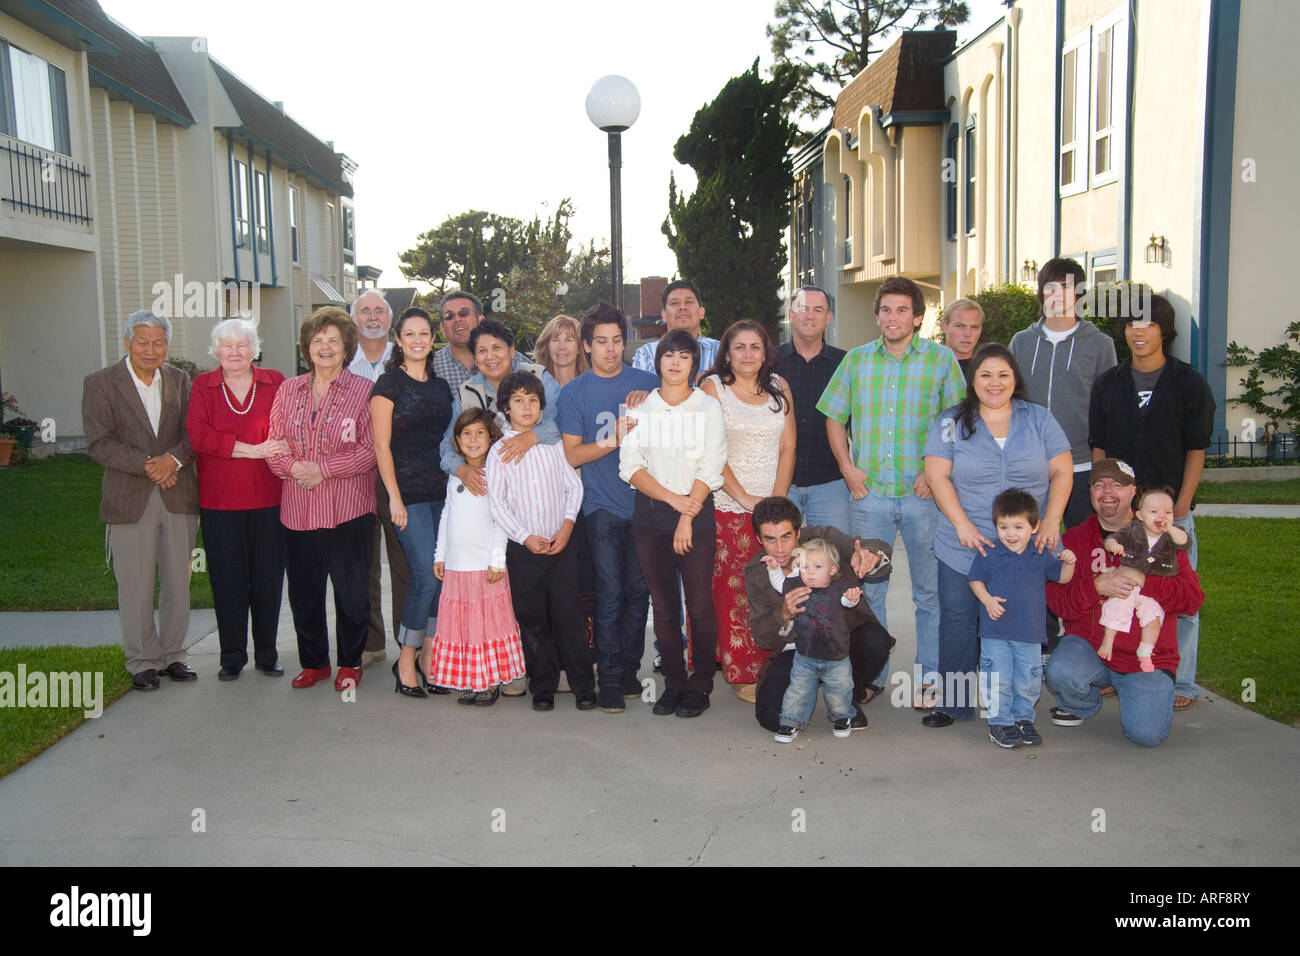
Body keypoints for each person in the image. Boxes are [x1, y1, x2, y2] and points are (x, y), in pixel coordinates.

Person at [817, 276, 966, 708]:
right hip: (872, 498)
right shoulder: (857, 361)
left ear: (918, 317)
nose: (893, 318)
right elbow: (832, 416)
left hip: (923, 496)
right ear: (877, 315)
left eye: (902, 310)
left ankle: (930, 680)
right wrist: (848, 469)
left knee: (928, 594)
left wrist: (933, 471)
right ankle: (873, 674)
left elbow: (956, 421)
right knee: (869, 591)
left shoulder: (941, 362)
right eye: (885, 310)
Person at [922, 343, 1073, 727]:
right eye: (985, 374)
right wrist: (961, 524)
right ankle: (954, 703)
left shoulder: (1038, 419)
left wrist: (1053, 519)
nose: (995, 383)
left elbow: (1062, 472)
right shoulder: (950, 421)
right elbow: (937, 475)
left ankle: (1016, 705)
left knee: (1021, 620)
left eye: (1003, 374)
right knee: (958, 620)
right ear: (972, 380)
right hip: (964, 542)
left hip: (1026, 546)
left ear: (1015, 379)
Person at [1088, 293, 1215, 710]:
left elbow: (1196, 449)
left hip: (1167, 516)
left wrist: (1181, 507)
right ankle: (1115, 669)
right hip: (1124, 517)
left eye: (1148, 324)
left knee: (1180, 599)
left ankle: (1181, 681)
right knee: (1119, 593)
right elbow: (1100, 448)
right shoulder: (1109, 384)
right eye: (1130, 325)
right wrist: (1106, 497)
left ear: (1165, 330)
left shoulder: (1189, 384)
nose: (1138, 332)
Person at [1044, 459, 1205, 746]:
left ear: (1134, 493)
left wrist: (1145, 580)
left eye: (1118, 484)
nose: (1107, 491)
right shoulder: (1076, 540)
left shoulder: (1164, 539)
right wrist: (1095, 587)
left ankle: (1139, 690)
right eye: (1099, 484)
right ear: (1090, 492)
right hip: (1093, 646)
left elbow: (1192, 600)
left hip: (1147, 655)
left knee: (1147, 735)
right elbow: (1056, 601)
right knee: (1059, 671)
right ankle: (1083, 704)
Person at [82, 310, 199, 691]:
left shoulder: (181, 381)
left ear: (167, 345)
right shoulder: (100, 383)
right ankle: (142, 660)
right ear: (128, 343)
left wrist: (175, 460)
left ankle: (173, 655)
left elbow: (192, 433)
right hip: (129, 496)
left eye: (158, 342)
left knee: (178, 582)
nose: (151, 350)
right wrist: (151, 465)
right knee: (135, 583)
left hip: (177, 494)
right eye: (143, 342)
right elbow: (100, 443)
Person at [267, 307, 377, 691]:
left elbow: (371, 449)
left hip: (349, 509)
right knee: (304, 593)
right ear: (307, 348)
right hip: (297, 510)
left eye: (333, 340)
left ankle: (350, 662)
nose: (325, 348)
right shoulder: (288, 390)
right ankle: (314, 663)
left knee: (351, 594)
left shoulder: (364, 391)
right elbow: (275, 442)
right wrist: (295, 468)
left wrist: (323, 470)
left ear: (347, 347)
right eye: (318, 341)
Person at [619, 329, 727, 719]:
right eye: (669, 355)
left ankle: (700, 686)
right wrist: (671, 501)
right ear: (658, 361)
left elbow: (712, 464)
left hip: (696, 513)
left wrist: (687, 512)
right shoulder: (640, 409)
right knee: (663, 608)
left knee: (698, 605)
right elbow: (629, 466)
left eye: (684, 356)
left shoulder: (706, 407)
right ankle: (674, 683)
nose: (676, 362)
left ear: (693, 363)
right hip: (650, 516)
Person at [557, 303, 659, 713]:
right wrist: (612, 439)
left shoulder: (649, 384)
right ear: (587, 345)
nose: (611, 349)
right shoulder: (573, 392)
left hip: (649, 506)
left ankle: (631, 671)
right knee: (610, 593)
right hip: (601, 507)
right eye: (601, 342)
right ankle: (611, 679)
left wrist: (650, 403)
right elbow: (571, 456)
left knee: (639, 592)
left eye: (617, 341)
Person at [185, 318, 288, 681]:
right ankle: (231, 656)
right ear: (216, 351)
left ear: (254, 349)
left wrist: (280, 448)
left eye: (241, 345)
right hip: (220, 502)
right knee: (227, 579)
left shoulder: (275, 381)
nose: (234, 352)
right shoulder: (203, 385)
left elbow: (290, 427)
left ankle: (267, 654)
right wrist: (255, 450)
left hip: (270, 498)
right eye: (227, 346)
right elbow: (199, 436)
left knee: (268, 579)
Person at [486, 371, 593, 712]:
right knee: (532, 619)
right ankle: (542, 685)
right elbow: (497, 503)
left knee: (569, 616)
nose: (527, 407)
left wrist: (567, 526)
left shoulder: (553, 445)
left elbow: (573, 487)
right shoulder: (499, 452)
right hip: (525, 551)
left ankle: (583, 685)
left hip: (561, 546)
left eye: (533, 400)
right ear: (505, 407)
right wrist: (524, 537)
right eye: (518, 400)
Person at [700, 320, 795, 701]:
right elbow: (709, 451)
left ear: (766, 352)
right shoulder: (713, 390)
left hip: (772, 510)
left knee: (774, 589)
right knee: (735, 590)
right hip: (729, 506)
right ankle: (742, 673)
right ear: (726, 352)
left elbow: (788, 448)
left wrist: (776, 503)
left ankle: (772, 664)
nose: (748, 354)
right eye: (739, 347)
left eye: (755, 346)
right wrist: (741, 497)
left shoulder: (780, 388)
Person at [744, 496, 895, 732]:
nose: (780, 549)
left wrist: (868, 555)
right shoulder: (757, 572)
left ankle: (848, 696)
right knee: (772, 718)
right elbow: (762, 637)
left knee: (875, 640)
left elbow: (875, 547)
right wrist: (783, 614)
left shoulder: (823, 540)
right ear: (758, 539)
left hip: (840, 641)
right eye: (770, 540)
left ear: (798, 532)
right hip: (797, 649)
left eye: (786, 537)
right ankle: (813, 685)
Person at [370, 307, 454, 697]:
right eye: (410, 334)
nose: (418, 340)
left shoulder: (440, 387)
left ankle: (429, 658)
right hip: (407, 496)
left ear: (431, 339)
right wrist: (394, 500)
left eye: (424, 333)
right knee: (422, 575)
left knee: (440, 576)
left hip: (444, 494)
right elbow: (381, 447)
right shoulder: (388, 385)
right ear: (399, 341)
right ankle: (406, 657)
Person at [1009, 258, 1117, 531]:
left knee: (1082, 549)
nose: (1057, 294)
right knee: (1026, 547)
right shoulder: (1021, 342)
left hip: (1080, 466)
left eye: (1066, 286)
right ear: (1041, 292)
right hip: (1029, 464)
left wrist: (1100, 464)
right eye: (1050, 287)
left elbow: (1109, 410)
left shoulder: (1100, 345)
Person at [967, 489, 1077, 748]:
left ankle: (1022, 718)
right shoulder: (989, 553)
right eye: (1003, 527)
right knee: (999, 677)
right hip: (996, 632)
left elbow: (1062, 577)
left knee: (1027, 678)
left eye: (1018, 526)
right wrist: (987, 600)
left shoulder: (1039, 554)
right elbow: (975, 579)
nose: (1011, 534)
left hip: (1030, 632)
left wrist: (1069, 562)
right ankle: (1000, 721)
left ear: (1035, 526)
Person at [430, 408, 525, 705]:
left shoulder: (496, 473)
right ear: (457, 441)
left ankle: (490, 682)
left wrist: (498, 559)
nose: (473, 440)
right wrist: (440, 554)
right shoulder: (456, 476)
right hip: (458, 568)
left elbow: (501, 519)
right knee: (466, 628)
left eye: (480, 433)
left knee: (487, 627)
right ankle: (473, 680)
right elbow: (447, 515)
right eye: (466, 434)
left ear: (491, 437)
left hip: (486, 568)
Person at [346, 289, 404, 671]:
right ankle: (370, 643)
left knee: (405, 563)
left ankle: (410, 643)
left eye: (378, 311)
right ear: (353, 319)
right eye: (364, 310)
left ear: (389, 318)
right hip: (353, 475)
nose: (371, 316)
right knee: (361, 563)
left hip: (398, 474)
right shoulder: (339, 361)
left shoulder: (403, 360)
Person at [770, 539, 863, 742]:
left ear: (832, 569)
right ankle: (790, 722)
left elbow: (847, 602)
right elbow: (780, 585)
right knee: (797, 691)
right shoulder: (797, 586)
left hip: (836, 656)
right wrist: (773, 569)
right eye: (804, 567)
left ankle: (842, 717)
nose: (810, 573)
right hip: (805, 655)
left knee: (840, 690)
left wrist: (853, 598)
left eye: (818, 567)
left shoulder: (839, 588)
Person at [777, 286, 851, 538]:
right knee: (780, 562)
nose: (810, 316)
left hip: (830, 485)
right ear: (790, 314)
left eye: (818, 310)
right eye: (803, 309)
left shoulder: (846, 364)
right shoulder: (769, 362)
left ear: (828, 317)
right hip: (780, 482)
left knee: (835, 561)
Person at [1098, 487, 1190, 669]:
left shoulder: (1171, 536)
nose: (1162, 516)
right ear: (1140, 515)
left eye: (1168, 512)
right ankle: (1108, 640)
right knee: (1117, 606)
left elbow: (1184, 541)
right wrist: (1113, 545)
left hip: (1151, 589)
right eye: (1154, 511)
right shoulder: (1132, 530)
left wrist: (1171, 528)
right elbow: (1110, 539)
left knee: (1153, 618)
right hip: (1129, 583)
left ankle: (1145, 652)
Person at [632, 280, 720, 383]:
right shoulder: (647, 354)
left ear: (701, 312)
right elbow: (645, 394)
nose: (682, 307)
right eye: (674, 303)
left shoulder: (720, 351)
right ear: (664, 315)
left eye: (689, 302)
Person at [433, 291, 484, 393]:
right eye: (449, 316)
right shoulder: (429, 368)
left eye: (464, 312)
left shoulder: (510, 361)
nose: (457, 319)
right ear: (442, 328)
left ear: (480, 321)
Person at [534, 313, 589, 387]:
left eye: (568, 340)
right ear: (547, 346)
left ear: (579, 348)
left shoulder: (590, 387)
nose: (561, 347)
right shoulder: (536, 386)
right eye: (555, 340)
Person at [938, 298, 985, 379]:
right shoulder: (928, 367)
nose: (968, 334)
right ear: (945, 326)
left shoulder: (988, 370)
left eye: (974, 327)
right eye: (960, 326)